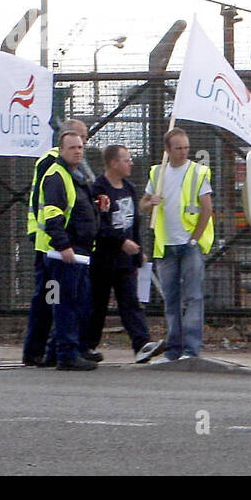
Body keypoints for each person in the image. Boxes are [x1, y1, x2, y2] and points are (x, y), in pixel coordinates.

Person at [85, 144, 165, 364]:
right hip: (103, 258)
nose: (130, 163)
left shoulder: (129, 187)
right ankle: (87, 345)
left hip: (125, 260)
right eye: (126, 160)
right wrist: (120, 242)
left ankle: (141, 344)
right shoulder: (99, 189)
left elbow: (134, 223)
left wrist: (138, 252)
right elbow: (98, 226)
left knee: (131, 302)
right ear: (113, 163)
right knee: (97, 305)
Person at [141, 127, 214, 363]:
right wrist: (149, 202)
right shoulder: (157, 173)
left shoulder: (198, 172)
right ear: (168, 150)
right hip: (166, 244)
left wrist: (195, 237)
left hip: (188, 243)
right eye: (178, 148)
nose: (183, 152)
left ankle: (191, 349)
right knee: (171, 298)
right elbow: (143, 204)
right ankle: (174, 348)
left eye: (186, 148)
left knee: (193, 297)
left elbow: (207, 208)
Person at [23, 118, 90, 367]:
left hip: (55, 241)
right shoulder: (53, 165)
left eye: (84, 140)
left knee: (56, 297)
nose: (83, 144)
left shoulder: (72, 165)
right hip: (49, 243)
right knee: (49, 298)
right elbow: (45, 204)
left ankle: (54, 348)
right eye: (80, 138)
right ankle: (37, 350)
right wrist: (58, 240)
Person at [33, 130, 101, 371]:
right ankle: (66, 354)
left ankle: (63, 351)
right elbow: (53, 214)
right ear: (61, 150)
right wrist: (64, 246)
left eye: (81, 147)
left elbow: (78, 209)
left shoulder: (74, 175)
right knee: (66, 305)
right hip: (66, 254)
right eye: (72, 147)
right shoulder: (57, 176)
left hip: (79, 252)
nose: (78, 151)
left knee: (78, 303)